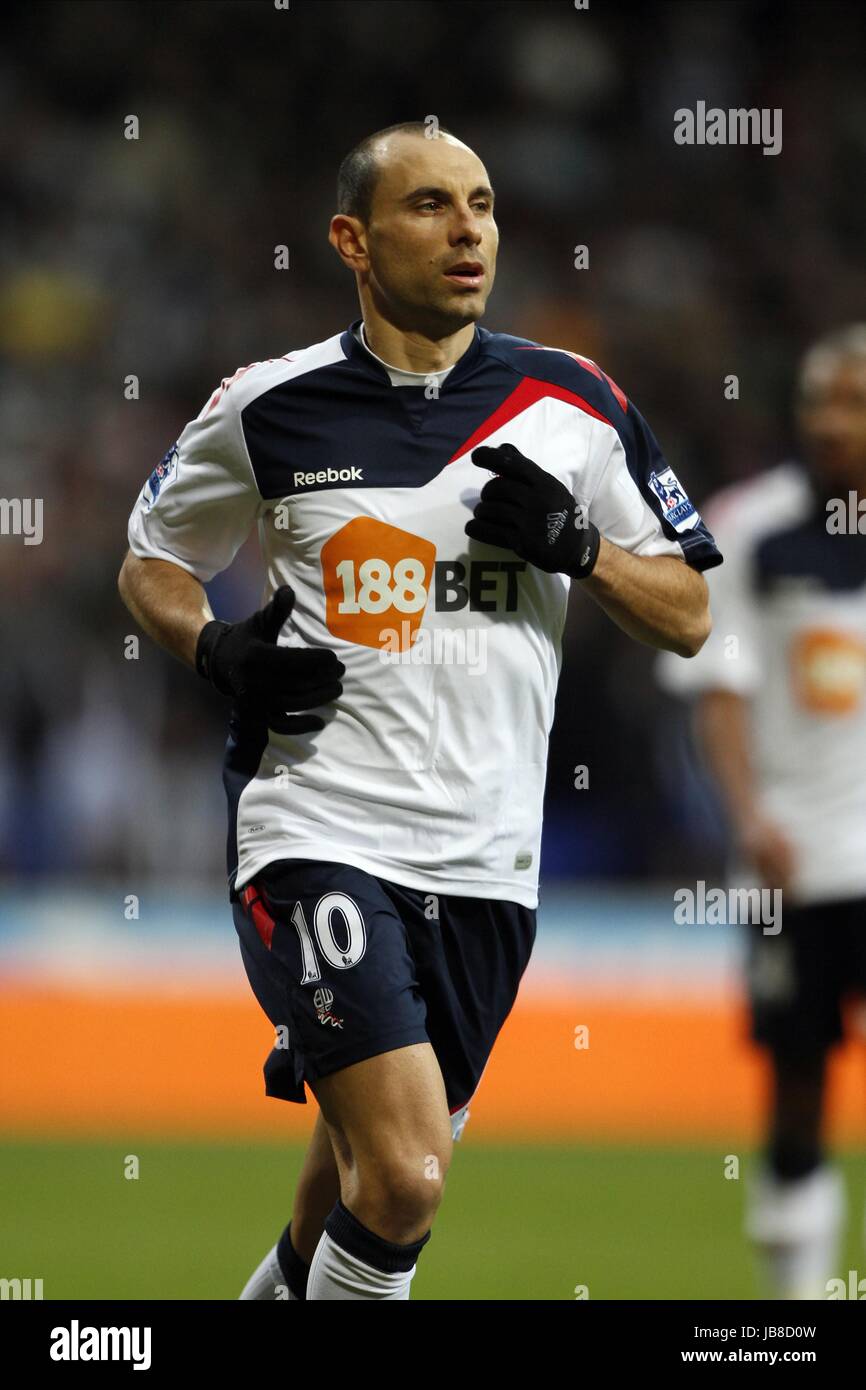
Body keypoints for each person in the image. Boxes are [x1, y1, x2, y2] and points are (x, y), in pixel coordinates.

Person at [118, 121, 720, 1301]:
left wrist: (581, 548)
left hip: (488, 865)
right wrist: (216, 648)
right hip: (316, 830)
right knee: (403, 1180)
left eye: (484, 206)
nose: (469, 232)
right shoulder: (268, 405)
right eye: (432, 205)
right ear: (351, 238)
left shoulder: (573, 404)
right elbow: (152, 558)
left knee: (337, 1205)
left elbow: (691, 613)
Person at [657, 325, 866, 1300]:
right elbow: (717, 686)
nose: (830, 422)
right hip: (796, 861)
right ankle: (798, 1309)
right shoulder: (743, 528)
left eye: (853, 403)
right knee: (794, 1089)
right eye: (820, 400)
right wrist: (746, 817)